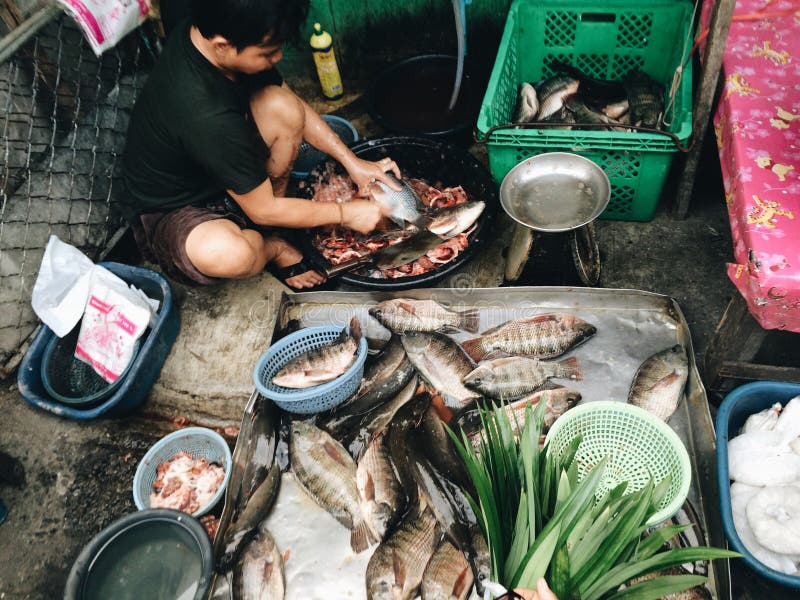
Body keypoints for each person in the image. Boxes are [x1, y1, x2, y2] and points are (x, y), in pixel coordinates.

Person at [121, 0, 400, 289]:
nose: (277, 58)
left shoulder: (216, 26)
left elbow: (293, 105)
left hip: (221, 165)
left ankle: (269, 224)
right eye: (267, 52)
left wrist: (352, 162)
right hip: (178, 205)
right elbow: (263, 208)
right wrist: (347, 213)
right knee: (229, 254)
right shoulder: (205, 113)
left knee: (283, 107)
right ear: (222, 46)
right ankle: (275, 247)